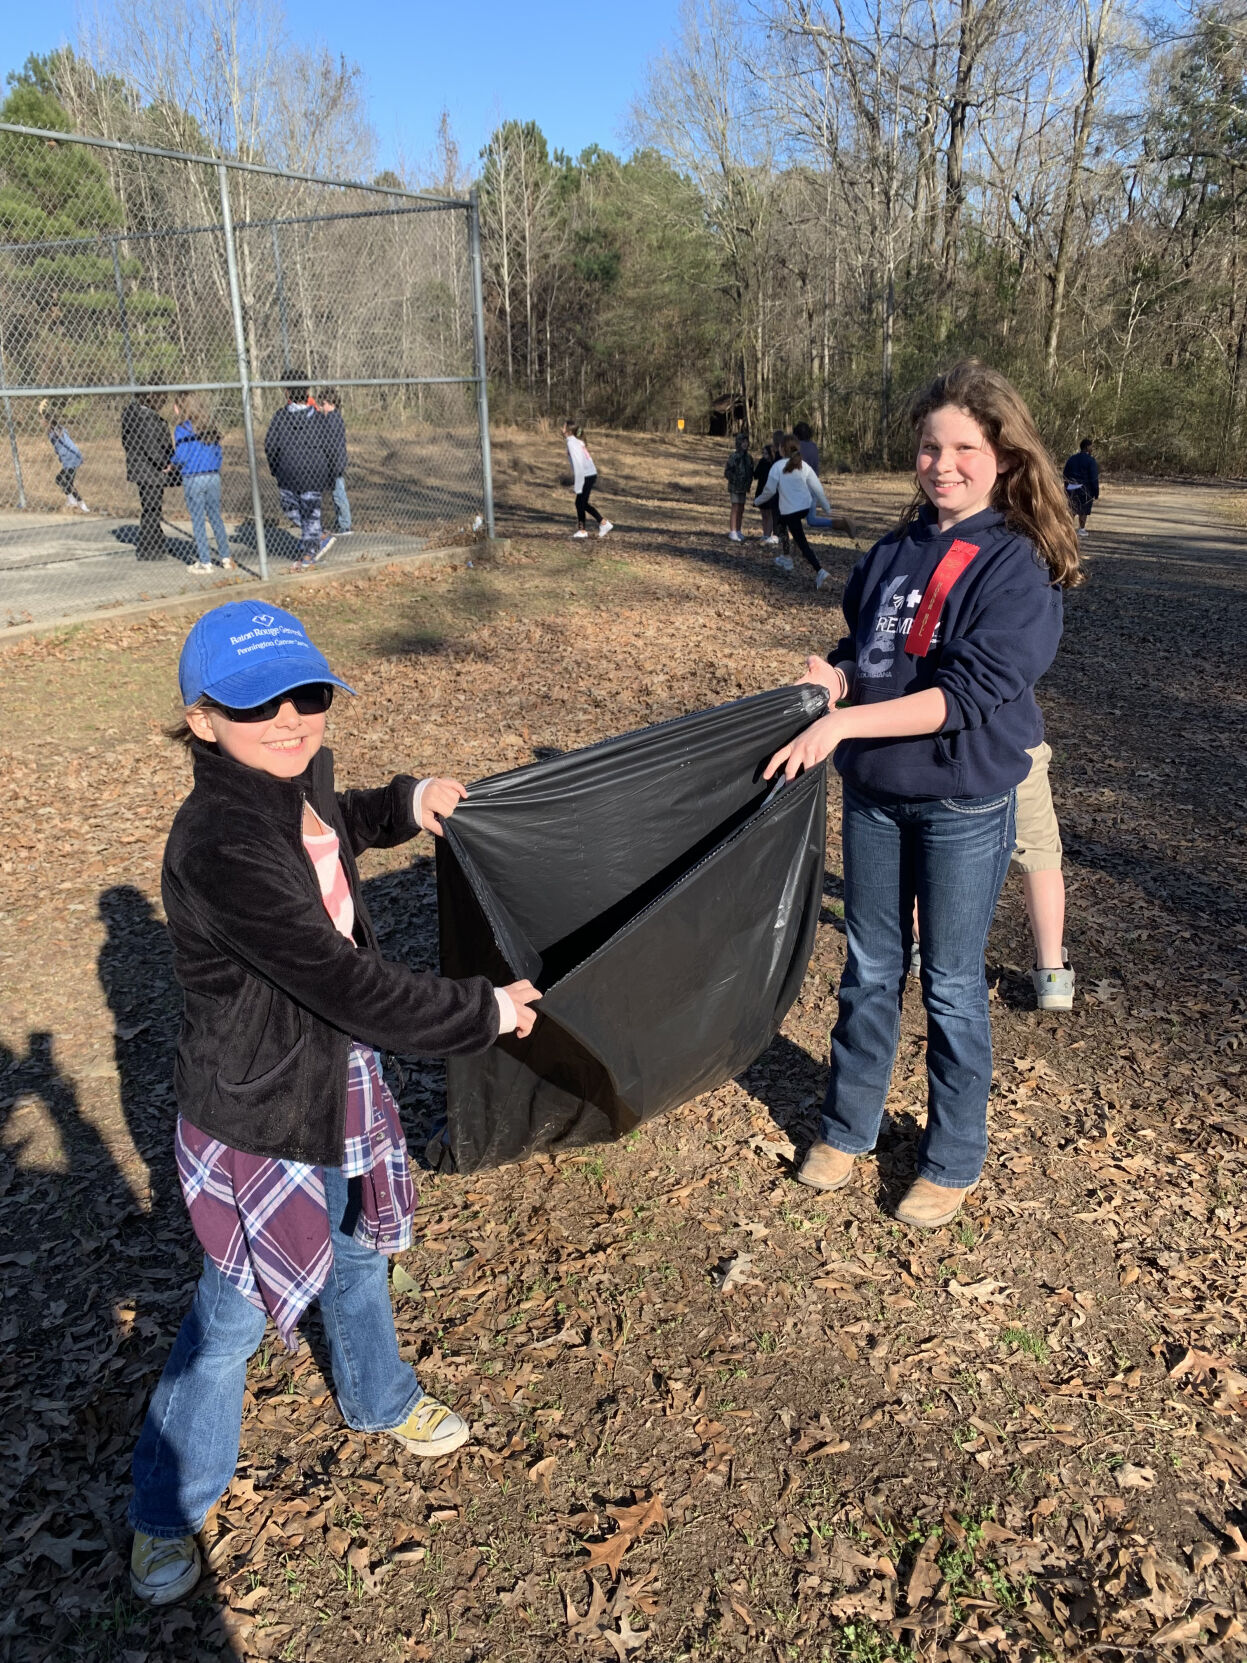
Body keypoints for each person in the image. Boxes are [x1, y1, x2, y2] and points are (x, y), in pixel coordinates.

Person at [128, 600, 541, 1607]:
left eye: (307, 694)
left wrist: (405, 802)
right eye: (254, 701)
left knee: (360, 1252)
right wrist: (479, 1009)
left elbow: (332, 825)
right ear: (199, 718)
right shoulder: (218, 845)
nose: (290, 716)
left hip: (338, 1077)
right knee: (229, 1318)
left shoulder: (287, 776)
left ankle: (378, 1396)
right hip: (264, 1112)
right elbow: (346, 982)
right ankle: (162, 1506)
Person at [764, 360, 1082, 1229]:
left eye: (965, 449)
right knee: (869, 969)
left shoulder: (1017, 566)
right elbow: (867, 641)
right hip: (873, 793)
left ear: (1005, 458)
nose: (943, 464)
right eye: (929, 447)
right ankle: (848, 1125)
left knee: (946, 982)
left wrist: (839, 728)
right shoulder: (894, 550)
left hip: (958, 801)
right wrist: (831, 674)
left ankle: (951, 1155)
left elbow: (966, 693)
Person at [911, 740, 1074, 1009]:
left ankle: (923, 947)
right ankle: (1053, 972)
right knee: (1040, 853)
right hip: (1012, 742)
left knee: (919, 840)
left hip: (935, 744)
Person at [264, 376, 341, 571]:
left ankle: (309, 555)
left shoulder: (314, 417)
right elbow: (271, 446)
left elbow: (329, 448)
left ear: (287, 392)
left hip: (310, 474)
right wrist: (276, 469)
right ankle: (317, 535)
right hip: (292, 475)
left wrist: (331, 474)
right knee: (294, 510)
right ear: (306, 393)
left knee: (310, 513)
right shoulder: (283, 417)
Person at [755, 439, 833, 589]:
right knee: (781, 523)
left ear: (782, 450)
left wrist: (757, 501)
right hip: (804, 507)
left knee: (802, 543)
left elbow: (769, 491)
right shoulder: (804, 465)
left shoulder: (777, 466)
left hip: (791, 511)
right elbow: (817, 488)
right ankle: (786, 557)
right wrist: (826, 507)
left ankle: (820, 571)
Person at [171, 397, 235, 575]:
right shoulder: (209, 426)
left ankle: (205, 562)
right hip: (212, 475)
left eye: (176, 405)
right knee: (215, 516)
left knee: (198, 519)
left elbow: (182, 456)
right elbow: (218, 452)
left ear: (182, 408)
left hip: (193, 477)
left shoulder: (182, 428)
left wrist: (172, 463)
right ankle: (225, 557)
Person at [121, 386, 174, 561]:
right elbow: (151, 446)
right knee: (152, 509)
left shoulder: (135, 415)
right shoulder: (146, 418)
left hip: (141, 468)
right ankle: (149, 549)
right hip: (150, 470)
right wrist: (164, 463)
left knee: (151, 508)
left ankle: (156, 542)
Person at [563, 419, 612, 541]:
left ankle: (583, 530)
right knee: (581, 503)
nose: (561, 428)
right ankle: (603, 523)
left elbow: (578, 463)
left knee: (580, 503)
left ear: (568, 430)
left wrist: (578, 484)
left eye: (563, 426)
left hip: (587, 475)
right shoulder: (575, 441)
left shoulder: (572, 443)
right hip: (589, 474)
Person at [40, 399, 90, 512]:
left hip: (72, 458)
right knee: (62, 480)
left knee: (65, 481)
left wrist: (51, 423)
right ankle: (72, 501)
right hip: (68, 459)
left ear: (48, 422)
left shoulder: (58, 430)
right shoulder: (51, 431)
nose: (41, 422)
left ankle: (81, 504)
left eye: (43, 420)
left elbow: (61, 436)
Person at [316, 386, 353, 536]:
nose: (321, 406)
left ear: (330, 403)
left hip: (334, 464)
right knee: (336, 494)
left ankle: (345, 525)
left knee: (339, 495)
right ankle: (340, 523)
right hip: (334, 463)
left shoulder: (332, 419)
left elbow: (330, 444)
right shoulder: (333, 418)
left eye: (323, 403)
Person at [794, 420, 833, 529]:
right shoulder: (814, 446)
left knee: (792, 515)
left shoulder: (796, 447)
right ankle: (834, 523)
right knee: (811, 519)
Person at [1063, 437, 1099, 536]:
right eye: (1091, 447)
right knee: (1084, 510)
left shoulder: (1072, 458)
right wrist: (1096, 492)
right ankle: (1081, 529)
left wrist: (1066, 487)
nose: (1092, 449)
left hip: (1071, 487)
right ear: (1087, 447)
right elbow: (1094, 477)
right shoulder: (1091, 461)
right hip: (1085, 488)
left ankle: (1068, 529)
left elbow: (1065, 474)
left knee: (1072, 509)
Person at [724, 432, 754, 542]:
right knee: (735, 508)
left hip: (744, 488)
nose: (745, 444)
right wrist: (734, 479)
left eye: (746, 442)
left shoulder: (749, 458)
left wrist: (748, 483)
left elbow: (751, 472)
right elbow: (727, 472)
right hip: (734, 487)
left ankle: (738, 530)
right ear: (738, 443)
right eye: (743, 442)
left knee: (741, 508)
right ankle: (732, 531)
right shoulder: (734, 456)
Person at [754, 437, 781, 545]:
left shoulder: (774, 464)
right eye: (763, 453)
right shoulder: (761, 462)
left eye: (766, 453)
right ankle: (764, 533)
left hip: (770, 491)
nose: (764, 456)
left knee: (769, 514)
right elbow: (756, 475)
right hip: (761, 489)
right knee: (763, 514)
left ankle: (768, 534)